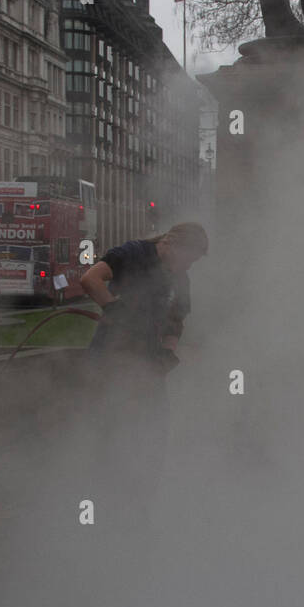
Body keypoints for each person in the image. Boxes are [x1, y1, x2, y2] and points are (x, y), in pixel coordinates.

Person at [78, 223, 209, 529]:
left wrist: (168, 349)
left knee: (152, 434)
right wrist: (114, 309)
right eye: (189, 258)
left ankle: (138, 507)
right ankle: (104, 506)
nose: (188, 266)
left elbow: (176, 322)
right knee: (110, 432)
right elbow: (90, 279)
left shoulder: (180, 281)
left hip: (147, 367)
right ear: (172, 244)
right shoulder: (133, 254)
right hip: (111, 361)